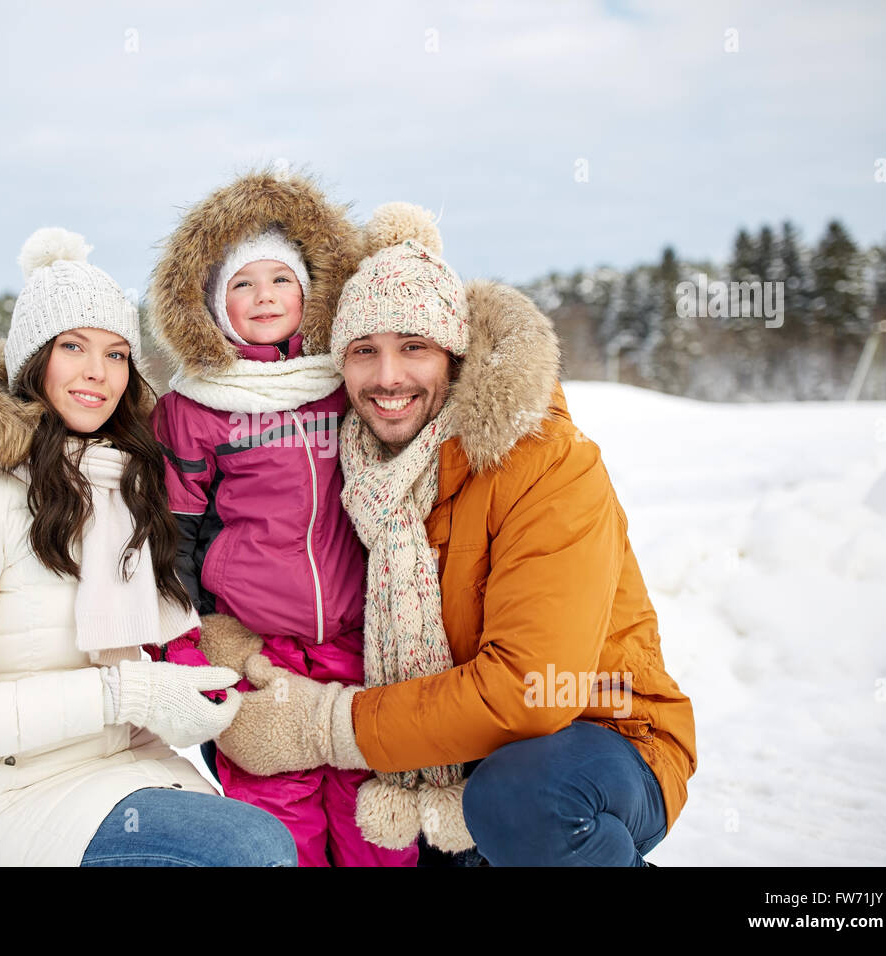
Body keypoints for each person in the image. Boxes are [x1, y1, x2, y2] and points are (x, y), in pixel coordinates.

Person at [200, 204, 698, 866]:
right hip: (442, 760)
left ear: (454, 356)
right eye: (363, 352)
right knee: (242, 729)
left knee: (521, 798)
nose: (388, 378)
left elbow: (528, 689)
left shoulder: (543, 460)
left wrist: (322, 726)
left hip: (592, 739)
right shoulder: (352, 467)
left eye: (414, 348)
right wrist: (234, 664)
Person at [0, 226, 297, 867]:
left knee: (267, 842)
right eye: (73, 347)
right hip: (20, 790)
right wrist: (127, 694)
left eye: (116, 354)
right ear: (32, 360)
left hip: (134, 763)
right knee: (252, 849)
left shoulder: (124, 482)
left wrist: (186, 699)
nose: (97, 372)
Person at [144, 171, 417, 866]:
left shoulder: (344, 384)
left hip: (363, 650)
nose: (263, 296)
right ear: (211, 304)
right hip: (261, 653)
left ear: (311, 292)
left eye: (280, 280)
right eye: (242, 283)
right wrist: (190, 656)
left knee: (375, 828)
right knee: (276, 830)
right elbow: (168, 542)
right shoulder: (196, 406)